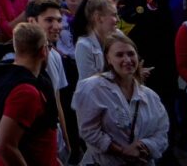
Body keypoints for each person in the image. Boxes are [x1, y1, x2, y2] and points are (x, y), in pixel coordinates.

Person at [71, 33, 169, 166]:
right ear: (108, 59)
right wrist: (122, 152)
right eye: (119, 55)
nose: (127, 60)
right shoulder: (93, 89)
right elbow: (88, 131)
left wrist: (143, 147)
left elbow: (162, 132)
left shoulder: (150, 96)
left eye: (131, 54)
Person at [0, 21, 60, 166]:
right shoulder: (26, 92)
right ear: (43, 51)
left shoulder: (10, 76)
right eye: (48, 46)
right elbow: (3, 145)